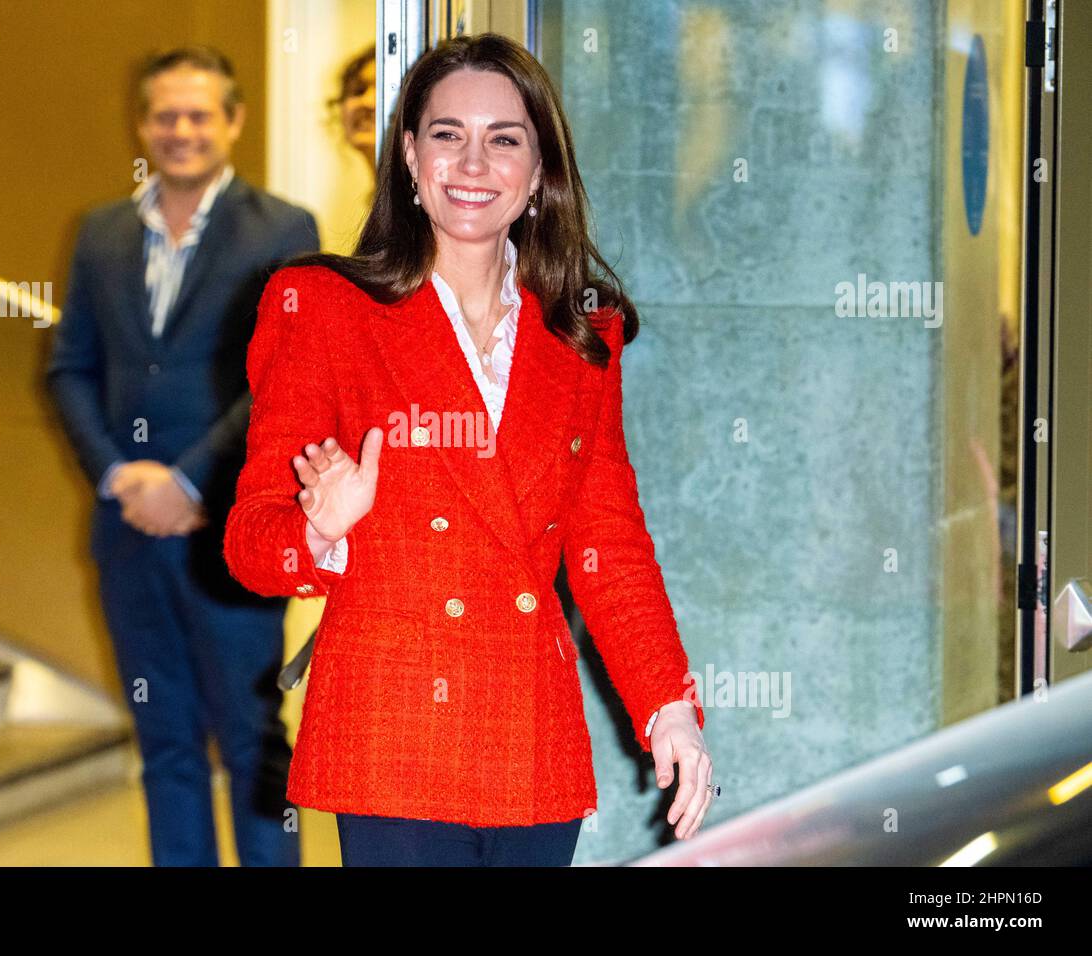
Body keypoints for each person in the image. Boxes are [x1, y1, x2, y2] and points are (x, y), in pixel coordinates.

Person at [223, 33, 712, 867]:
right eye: (448, 134)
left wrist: (667, 705)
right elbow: (250, 548)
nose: (474, 163)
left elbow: (610, 546)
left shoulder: (582, 332)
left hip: (531, 739)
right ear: (410, 157)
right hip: (393, 739)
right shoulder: (323, 308)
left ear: (539, 171)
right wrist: (321, 528)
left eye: (504, 139)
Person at [47, 46, 319, 866]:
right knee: (164, 745)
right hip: (128, 529)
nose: (181, 130)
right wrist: (117, 474)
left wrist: (191, 480)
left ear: (233, 122)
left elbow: (283, 381)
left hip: (230, 532)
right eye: (165, 115)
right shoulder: (99, 233)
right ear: (142, 125)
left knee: (251, 740)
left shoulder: (284, 229)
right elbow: (69, 367)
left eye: (200, 114)